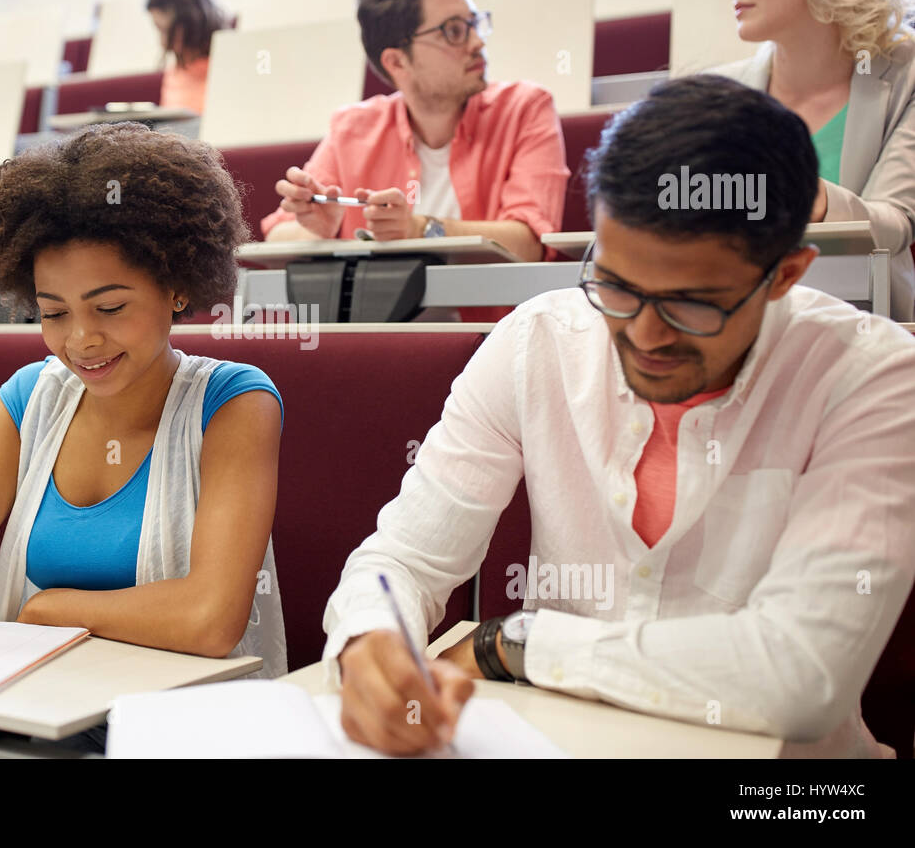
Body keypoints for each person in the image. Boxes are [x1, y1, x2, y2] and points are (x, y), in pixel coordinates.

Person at [323, 75, 915, 758]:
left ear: (786, 274)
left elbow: (797, 676)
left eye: (692, 303)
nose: (644, 334)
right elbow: (404, 556)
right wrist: (373, 637)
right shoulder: (539, 340)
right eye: (615, 285)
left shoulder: (874, 377)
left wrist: (511, 644)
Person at [0, 123, 287, 751]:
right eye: (53, 313)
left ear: (178, 287)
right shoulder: (28, 399)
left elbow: (211, 620)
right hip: (35, 719)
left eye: (109, 309)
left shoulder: (235, 403)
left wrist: (56, 608)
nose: (80, 340)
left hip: (180, 729)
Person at [262, 0, 568, 265]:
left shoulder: (525, 109)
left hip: (496, 314)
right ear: (397, 63)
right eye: (454, 31)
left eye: (474, 24)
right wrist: (320, 233)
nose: (477, 42)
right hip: (376, 314)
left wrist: (420, 229)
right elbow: (275, 237)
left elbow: (530, 244)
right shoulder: (352, 127)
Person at [714, 0, 915, 320]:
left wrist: (797, 194)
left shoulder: (906, 74)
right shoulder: (722, 92)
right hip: (737, 320)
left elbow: (894, 226)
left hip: (864, 323)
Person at [146, 0, 226, 115]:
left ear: (193, 25)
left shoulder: (228, 67)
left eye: (166, 31)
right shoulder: (175, 71)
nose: (163, 44)